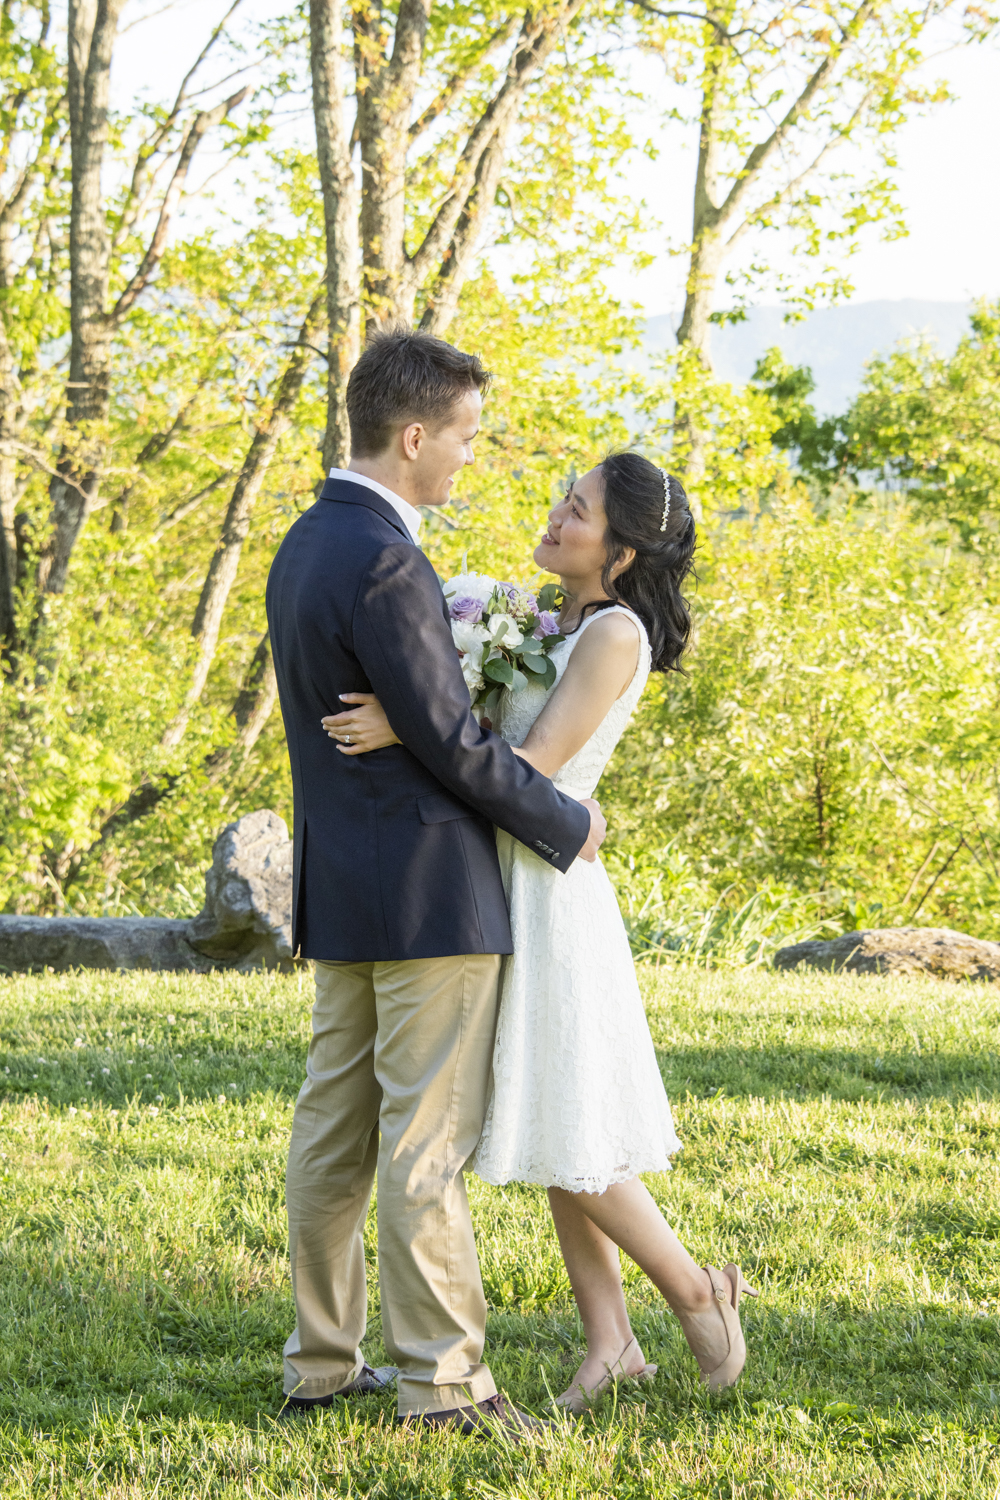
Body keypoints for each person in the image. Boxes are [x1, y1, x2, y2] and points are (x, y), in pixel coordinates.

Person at [324, 451, 758, 1412]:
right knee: (561, 1115)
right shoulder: (540, 617)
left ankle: (696, 1294)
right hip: (497, 874)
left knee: (567, 1122)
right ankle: (610, 1343)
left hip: (548, 888)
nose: (558, 516)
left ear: (623, 547)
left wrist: (410, 727)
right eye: (564, 498)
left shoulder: (612, 635)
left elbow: (531, 764)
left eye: (580, 510)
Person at [265, 328, 607, 1437]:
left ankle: (320, 1365)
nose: (468, 455)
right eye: (462, 435)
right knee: (421, 1145)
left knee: (331, 1132)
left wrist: (418, 732)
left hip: (343, 887)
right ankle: (443, 1387)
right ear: (412, 436)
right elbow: (456, 746)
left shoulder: (306, 541)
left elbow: (402, 727)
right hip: (426, 896)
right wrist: (566, 820)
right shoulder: (384, 558)